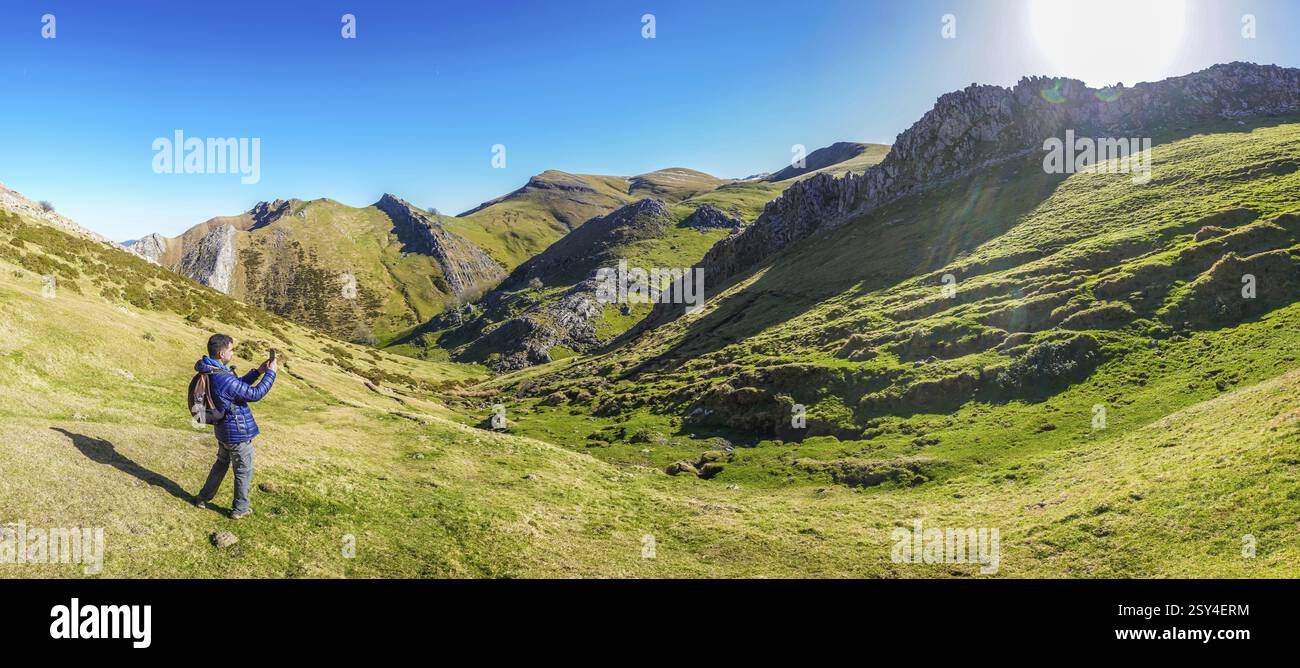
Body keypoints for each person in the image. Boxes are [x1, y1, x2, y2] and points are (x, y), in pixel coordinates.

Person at [193, 334, 276, 519]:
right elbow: (254, 394)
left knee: (221, 464)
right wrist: (271, 374)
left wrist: (258, 372)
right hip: (237, 433)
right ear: (222, 353)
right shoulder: (221, 377)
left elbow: (236, 387)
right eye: (231, 349)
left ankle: (203, 497)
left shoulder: (211, 369)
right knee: (243, 471)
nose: (233, 352)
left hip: (224, 431)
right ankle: (240, 508)